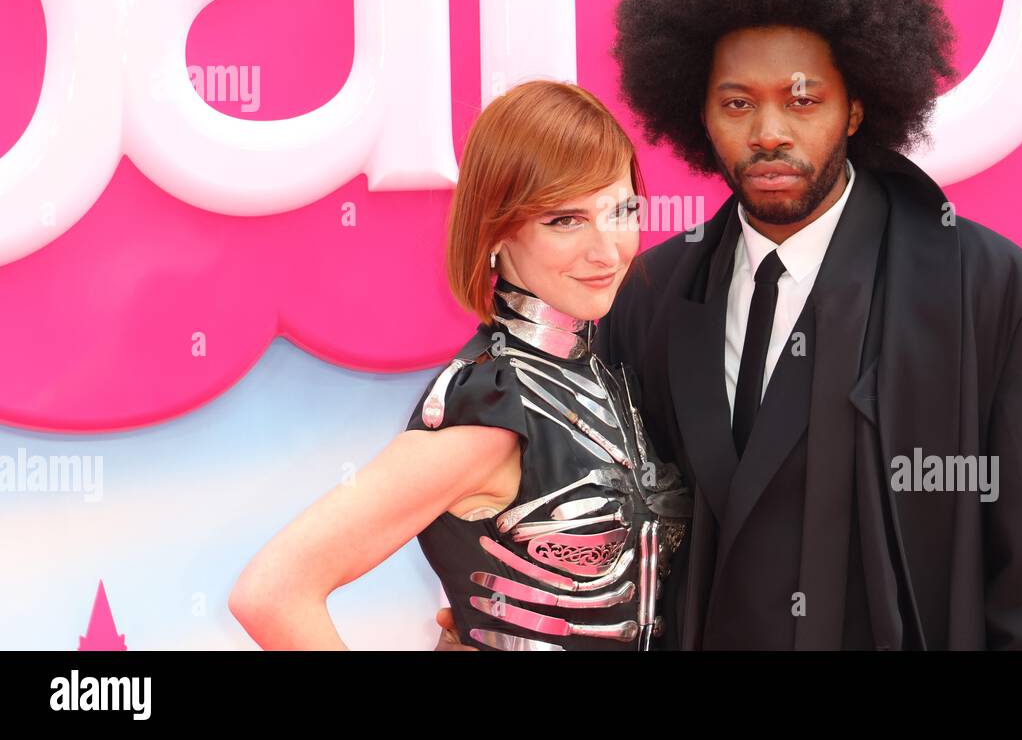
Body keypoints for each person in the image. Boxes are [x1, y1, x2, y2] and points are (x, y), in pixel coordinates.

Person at [440, 0, 1022, 650]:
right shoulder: (643, 300)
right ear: (699, 114)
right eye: (736, 104)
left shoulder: (995, 299)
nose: (768, 133)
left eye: (803, 99)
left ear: (856, 106)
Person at [229, 80, 691, 651]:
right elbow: (272, 591)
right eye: (565, 220)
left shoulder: (605, 372)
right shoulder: (491, 409)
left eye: (620, 210)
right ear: (496, 230)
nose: (608, 249)